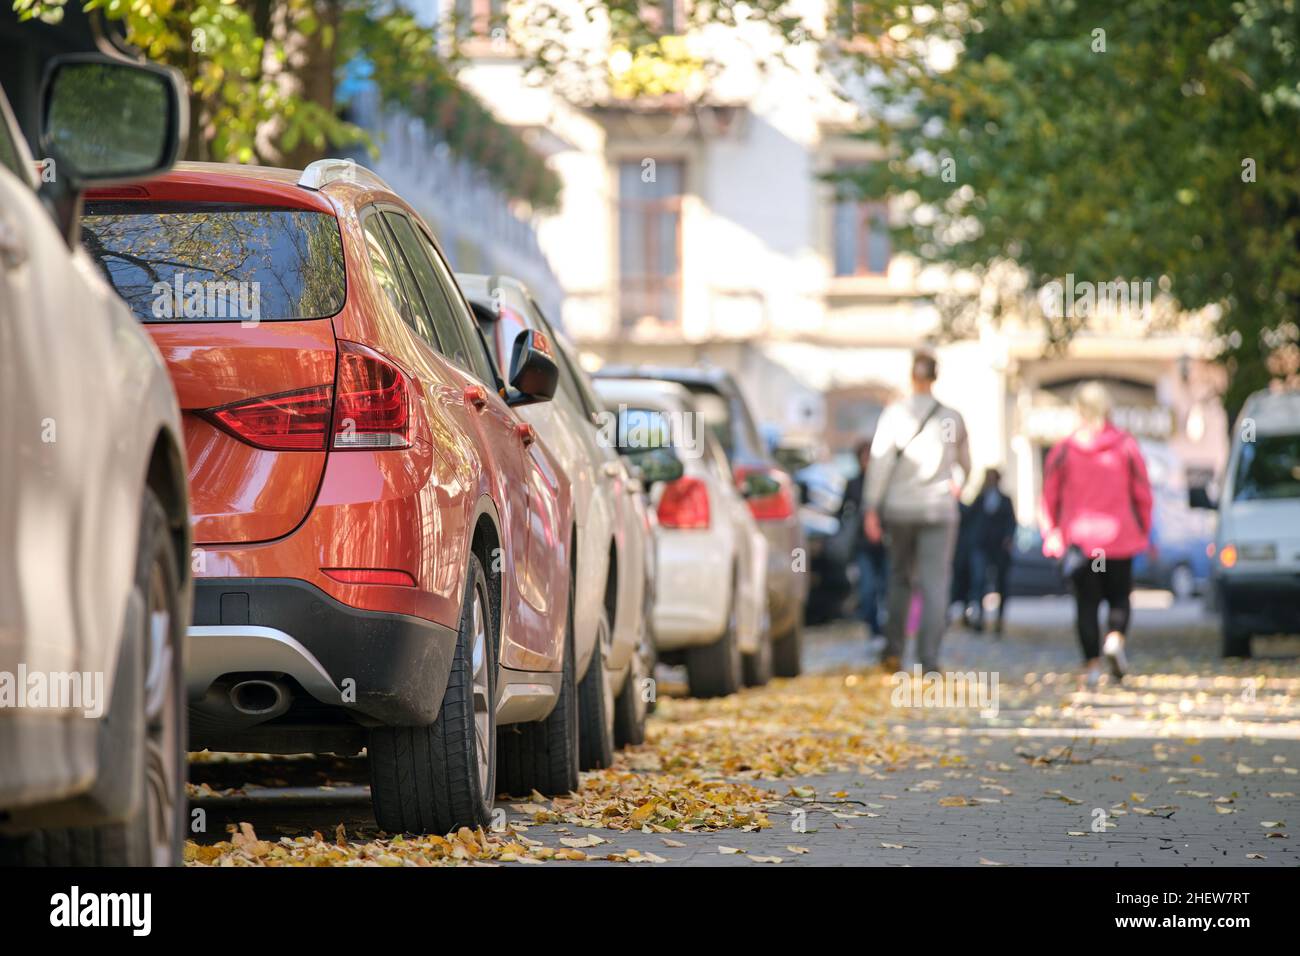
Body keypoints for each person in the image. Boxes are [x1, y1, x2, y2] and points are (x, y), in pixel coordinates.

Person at [863, 351, 971, 673]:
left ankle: (894, 650)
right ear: (935, 377)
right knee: (935, 583)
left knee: (899, 579)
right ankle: (929, 659)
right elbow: (965, 465)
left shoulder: (895, 414)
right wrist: (960, 484)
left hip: (900, 509)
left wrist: (871, 506)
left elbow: (880, 462)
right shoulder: (951, 418)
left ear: (912, 376)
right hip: (939, 509)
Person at [1041, 382, 1153, 687]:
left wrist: (1051, 532)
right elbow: (1142, 491)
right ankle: (1114, 639)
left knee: (1086, 604)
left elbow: (1049, 495)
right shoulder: (1126, 446)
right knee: (1119, 597)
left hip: (1082, 542)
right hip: (1117, 539)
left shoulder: (1064, 450)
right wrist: (1144, 529)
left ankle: (1091, 665)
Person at [840, 438, 887, 639]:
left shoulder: (885, 483)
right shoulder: (853, 484)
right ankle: (873, 627)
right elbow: (841, 511)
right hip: (862, 545)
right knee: (867, 587)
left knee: (886, 587)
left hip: (885, 544)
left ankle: (887, 627)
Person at [967, 468, 1017, 634]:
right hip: (982, 546)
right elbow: (969, 517)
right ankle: (979, 618)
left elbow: (1011, 522)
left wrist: (1008, 538)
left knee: (1001, 583)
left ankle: (999, 620)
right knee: (979, 581)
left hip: (1000, 548)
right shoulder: (980, 499)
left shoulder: (1005, 500)